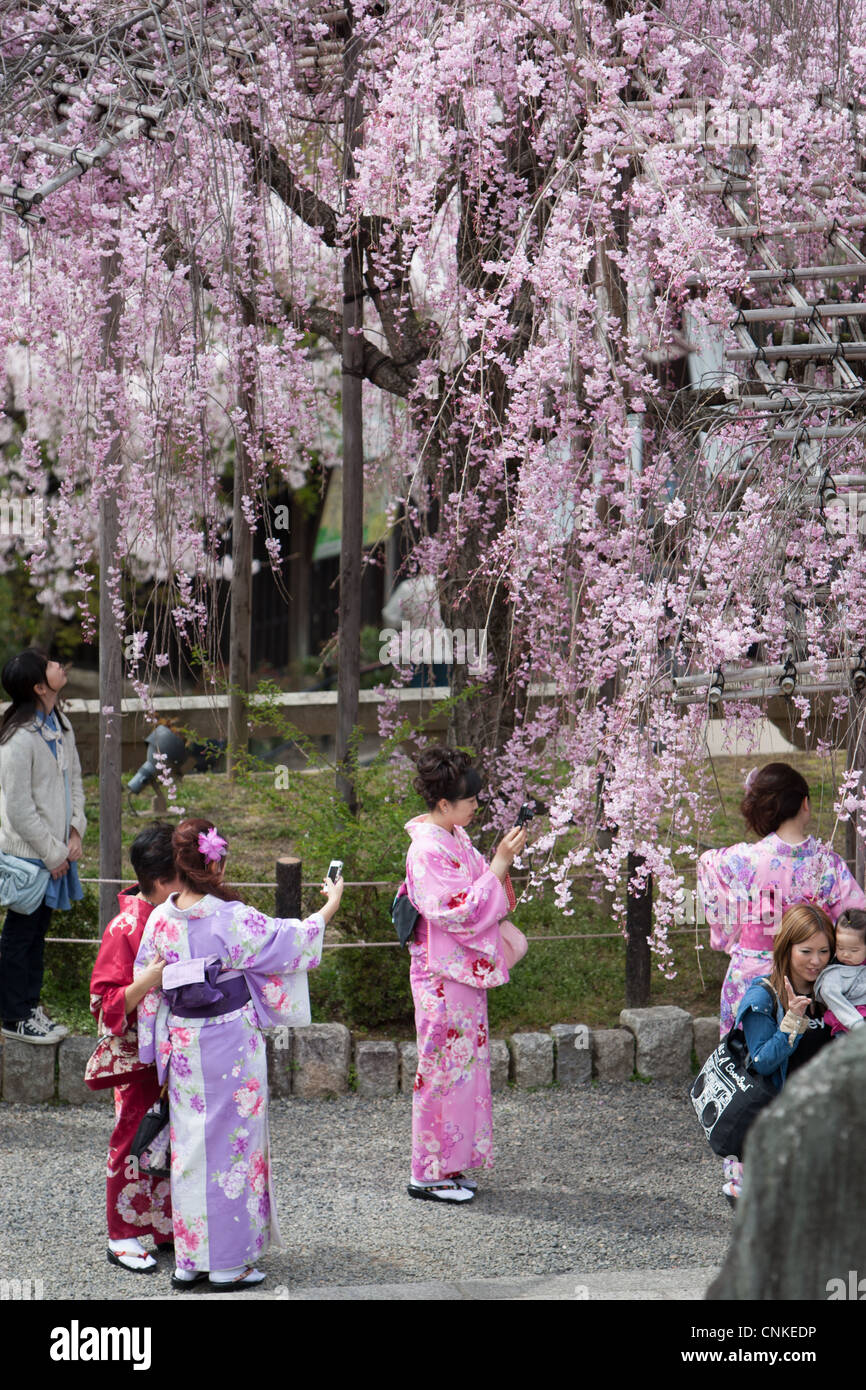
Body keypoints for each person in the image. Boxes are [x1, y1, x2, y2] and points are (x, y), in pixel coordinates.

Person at [134, 817, 343, 1289]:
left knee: (191, 1149)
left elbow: (148, 990)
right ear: (213, 862)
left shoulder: (160, 921)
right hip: (229, 1041)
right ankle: (228, 1263)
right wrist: (330, 904)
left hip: (183, 1044)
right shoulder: (230, 918)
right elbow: (290, 941)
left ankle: (191, 1260)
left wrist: (155, 1047)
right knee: (234, 1149)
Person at [697, 760, 866, 1203]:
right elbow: (855, 917)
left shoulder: (741, 859)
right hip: (805, 981)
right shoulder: (827, 865)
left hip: (750, 975)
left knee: (746, 1071)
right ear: (804, 805)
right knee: (798, 1069)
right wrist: (832, 957)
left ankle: (741, 1177)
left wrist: (732, 933)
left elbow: (706, 869)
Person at [404, 746, 526, 1204]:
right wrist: (498, 865)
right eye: (469, 799)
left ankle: (451, 1165)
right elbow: (460, 910)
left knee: (464, 1068)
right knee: (439, 1069)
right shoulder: (426, 851)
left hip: (461, 973)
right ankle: (427, 1172)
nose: (475, 805)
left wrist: (497, 863)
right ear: (442, 804)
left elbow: (481, 891)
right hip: (441, 975)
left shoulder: (454, 836)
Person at [89, 824, 181, 1272]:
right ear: (163, 881)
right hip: (138, 1054)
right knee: (133, 1135)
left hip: (175, 1049)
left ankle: (165, 1226)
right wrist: (147, 979)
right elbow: (102, 1002)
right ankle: (121, 1234)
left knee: (171, 1137)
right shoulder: (125, 927)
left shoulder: (177, 914)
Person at [0, 649, 86, 1044]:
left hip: (56, 855)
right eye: (50, 664)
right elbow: (18, 810)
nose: (59, 665)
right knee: (20, 936)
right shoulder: (19, 739)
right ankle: (14, 1015)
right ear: (39, 686)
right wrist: (53, 853)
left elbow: (76, 785)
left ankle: (29, 1006)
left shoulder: (59, 724)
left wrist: (75, 831)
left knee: (37, 934)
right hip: (30, 856)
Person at [736, 903, 834, 1099]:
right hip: (787, 1114)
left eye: (824, 951)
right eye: (806, 952)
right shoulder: (762, 997)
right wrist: (793, 1020)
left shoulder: (833, 991)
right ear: (786, 948)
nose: (816, 961)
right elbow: (762, 1063)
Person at [814, 910, 866, 1035]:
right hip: (850, 1026)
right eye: (840, 947)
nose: (846, 954)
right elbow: (832, 996)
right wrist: (858, 1025)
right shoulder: (834, 974)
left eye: (854, 950)